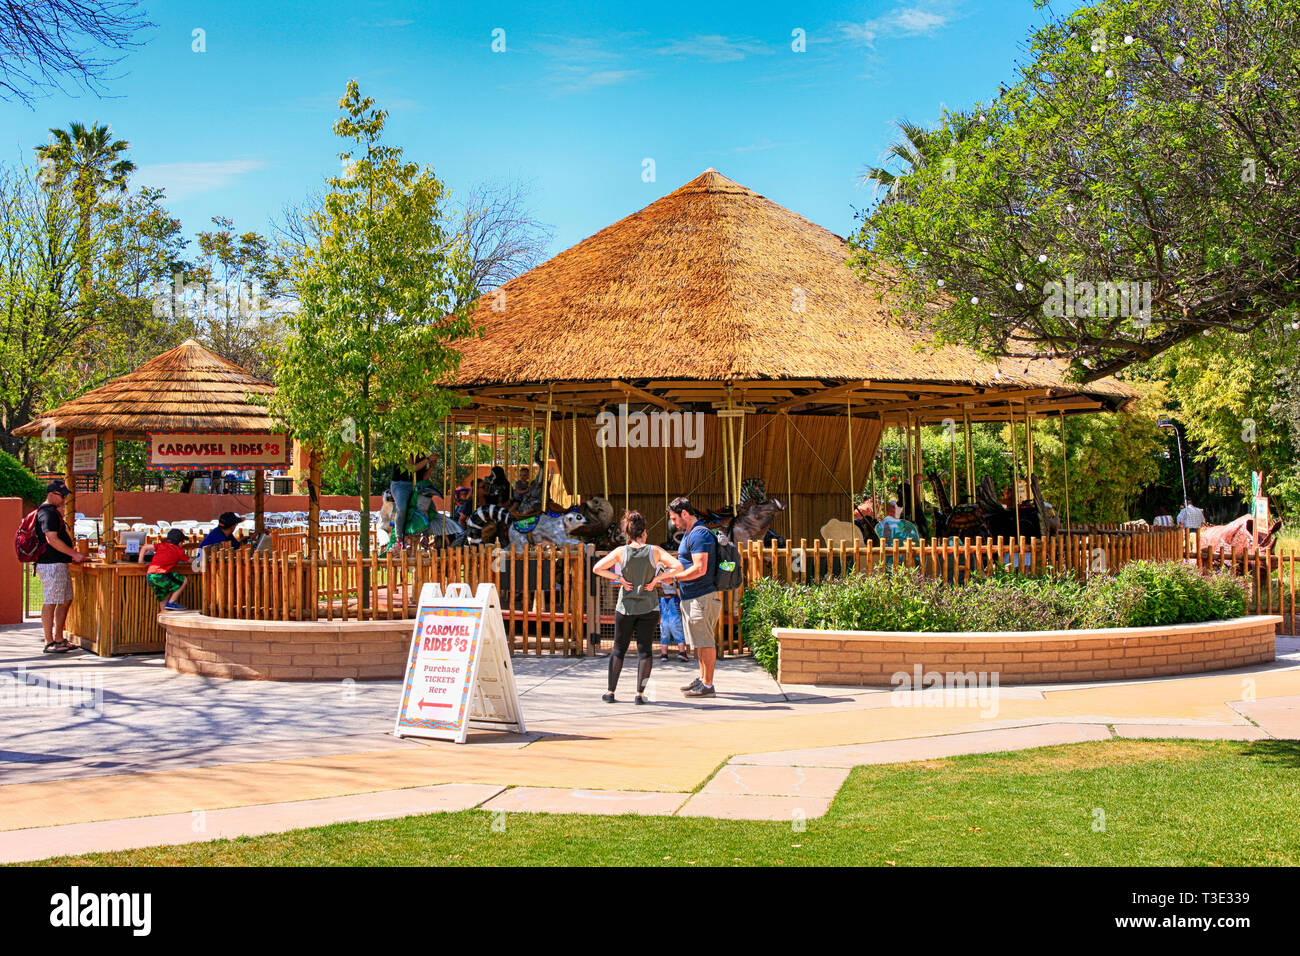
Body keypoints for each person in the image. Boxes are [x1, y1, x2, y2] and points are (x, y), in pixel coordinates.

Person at [592, 511, 683, 703]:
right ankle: (640, 695)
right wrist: (658, 578)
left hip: (625, 606)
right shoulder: (655, 551)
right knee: (645, 651)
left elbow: (597, 568)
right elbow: (678, 567)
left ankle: (610, 692)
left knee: (618, 649)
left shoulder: (620, 552)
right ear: (644, 532)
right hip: (649, 607)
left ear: (628, 533)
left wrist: (619, 579)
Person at [667, 496, 721, 699]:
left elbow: (700, 568)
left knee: (705, 641)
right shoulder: (690, 533)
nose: (673, 523)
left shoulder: (699, 535)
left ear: (685, 514)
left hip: (702, 596)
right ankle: (702, 678)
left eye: (674, 518)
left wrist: (674, 576)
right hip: (693, 597)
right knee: (699, 641)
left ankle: (708, 685)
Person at [35, 479, 90, 653]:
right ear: (51, 494)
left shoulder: (53, 512)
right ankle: (49, 641)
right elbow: (51, 539)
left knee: (65, 600)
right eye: (62, 495)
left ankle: (59, 638)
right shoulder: (47, 513)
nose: (64, 499)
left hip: (59, 563)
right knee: (51, 601)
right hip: (51, 564)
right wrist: (74, 554)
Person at [147, 528, 195, 612]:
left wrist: (140, 562)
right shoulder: (178, 551)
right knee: (184, 580)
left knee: (164, 598)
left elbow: (144, 547)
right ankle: (172, 602)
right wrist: (200, 561)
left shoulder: (161, 545)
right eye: (182, 542)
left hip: (150, 576)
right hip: (160, 575)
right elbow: (191, 561)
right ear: (180, 542)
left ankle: (164, 617)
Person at [658, 573, 688, 661]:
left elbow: (660, 612)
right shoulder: (676, 599)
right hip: (676, 621)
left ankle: (664, 655)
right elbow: (680, 596)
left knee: (664, 637)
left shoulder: (660, 600)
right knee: (679, 637)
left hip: (664, 622)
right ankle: (682, 653)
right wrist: (677, 586)